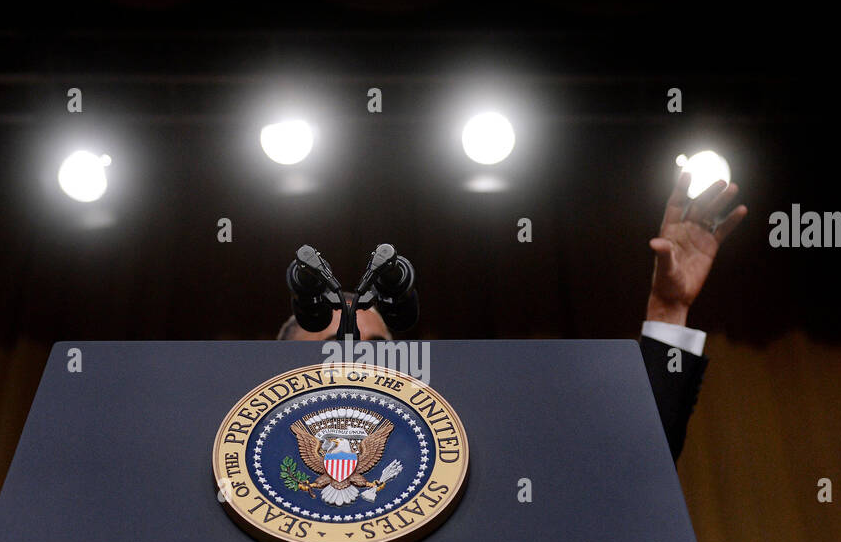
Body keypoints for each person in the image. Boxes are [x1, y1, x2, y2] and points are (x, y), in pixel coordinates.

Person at [277, 171, 746, 461]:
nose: (353, 361)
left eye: (374, 348)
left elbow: (636, 468)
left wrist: (669, 310)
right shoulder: (234, 454)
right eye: (329, 348)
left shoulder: (452, 450)